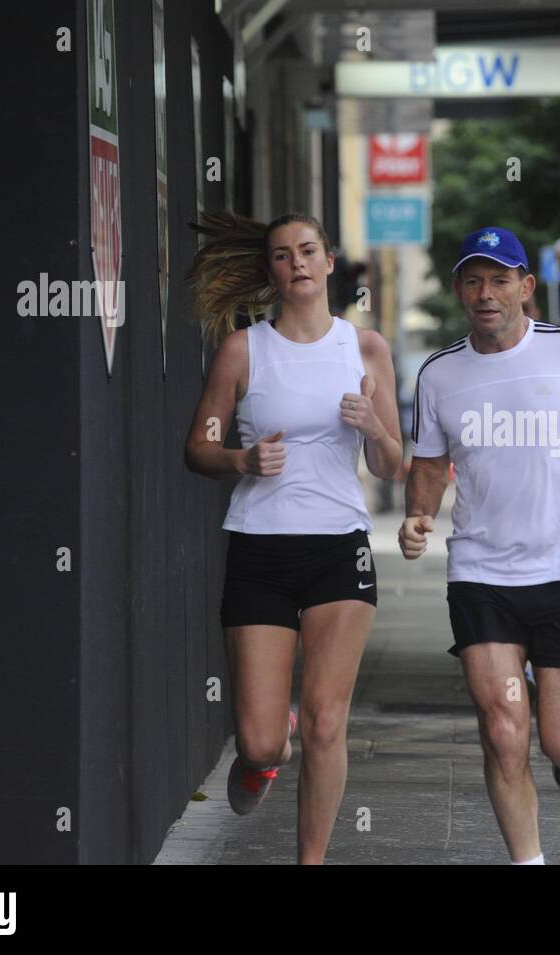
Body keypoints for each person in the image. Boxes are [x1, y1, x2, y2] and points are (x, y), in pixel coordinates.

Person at [398, 227, 560, 865]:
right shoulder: (439, 373)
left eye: (500, 279)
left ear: (525, 288)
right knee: (504, 729)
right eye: (474, 281)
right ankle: (528, 860)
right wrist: (418, 515)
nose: (487, 293)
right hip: (482, 577)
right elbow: (429, 462)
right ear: (459, 289)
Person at [183, 211, 402, 864]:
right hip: (261, 550)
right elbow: (199, 447)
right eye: (282, 255)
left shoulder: (365, 349)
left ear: (330, 262)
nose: (297, 263)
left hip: (339, 546)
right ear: (271, 271)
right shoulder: (243, 350)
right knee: (259, 740)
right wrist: (242, 462)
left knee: (326, 723)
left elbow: (394, 463)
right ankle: (261, 759)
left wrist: (373, 427)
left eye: (308, 251)